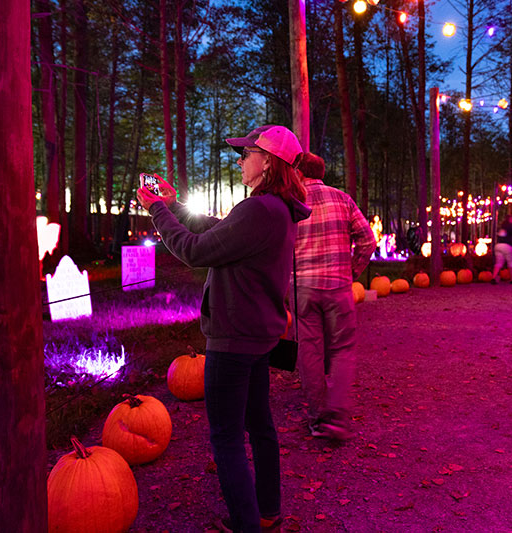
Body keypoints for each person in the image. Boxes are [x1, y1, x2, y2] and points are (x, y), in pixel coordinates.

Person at [137, 125, 311, 532]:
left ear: (267, 161)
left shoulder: (259, 209)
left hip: (233, 339)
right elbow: (217, 229)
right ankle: (267, 512)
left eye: (246, 153)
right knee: (260, 426)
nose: (239, 160)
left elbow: (195, 250)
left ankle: (248, 524)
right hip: (257, 336)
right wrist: (174, 205)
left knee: (227, 438)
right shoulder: (275, 209)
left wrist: (157, 211)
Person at [292, 152, 376, 441]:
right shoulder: (342, 199)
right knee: (342, 348)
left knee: (309, 350)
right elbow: (367, 240)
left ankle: (317, 419)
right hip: (338, 285)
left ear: (299, 173)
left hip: (302, 288)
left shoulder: (291, 202)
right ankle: (337, 417)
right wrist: (351, 271)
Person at [491, 214, 512, 284]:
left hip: (498, 246)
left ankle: (494, 277)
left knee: (498, 263)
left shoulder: (501, 227)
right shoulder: (509, 227)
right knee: (510, 262)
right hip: (507, 246)